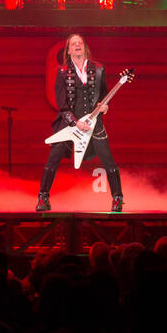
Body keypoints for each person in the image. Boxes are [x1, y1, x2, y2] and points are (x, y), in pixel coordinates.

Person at [37, 33, 124, 213]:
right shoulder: (61, 73)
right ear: (68, 50)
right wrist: (75, 122)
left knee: (108, 159)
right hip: (69, 123)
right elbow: (61, 104)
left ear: (85, 47)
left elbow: (105, 96)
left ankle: (118, 199)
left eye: (80, 43)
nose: (77, 45)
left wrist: (105, 106)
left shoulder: (99, 69)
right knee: (53, 159)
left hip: (94, 123)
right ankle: (43, 197)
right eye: (73, 43)